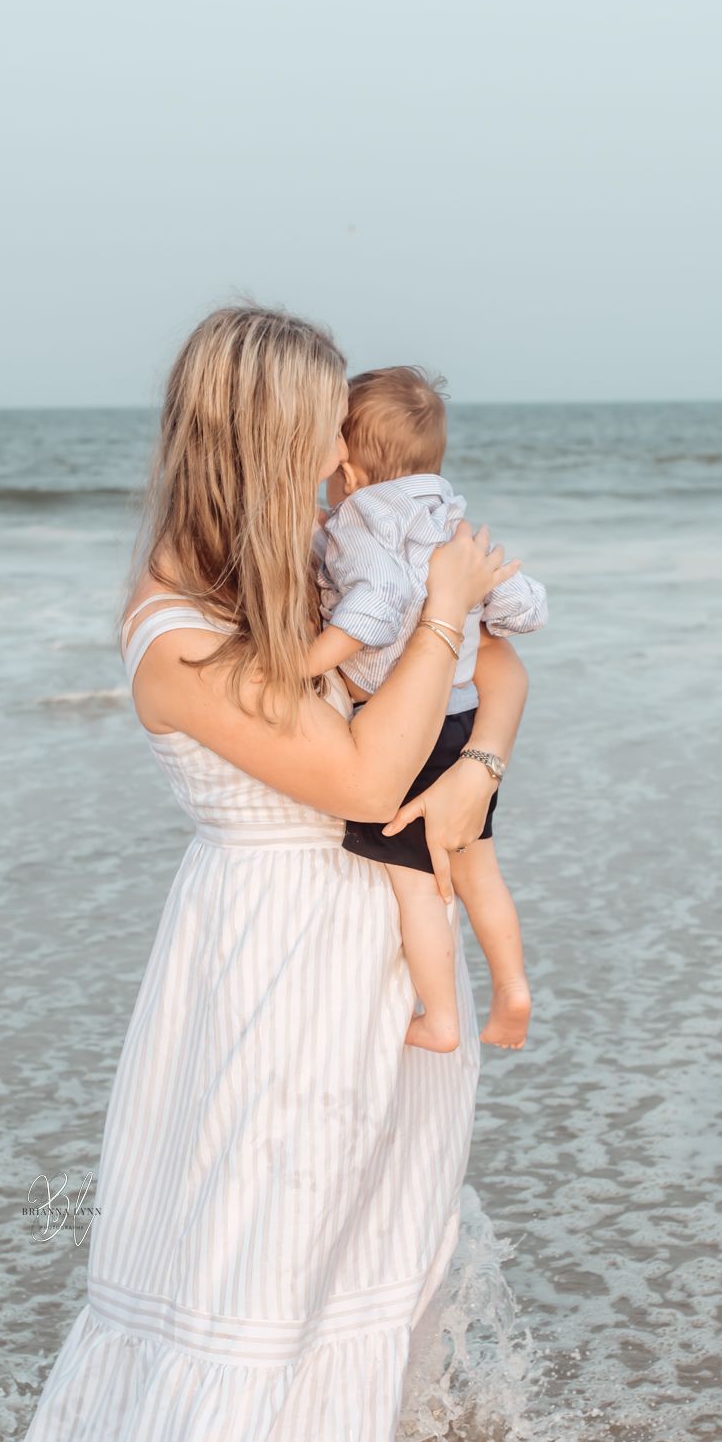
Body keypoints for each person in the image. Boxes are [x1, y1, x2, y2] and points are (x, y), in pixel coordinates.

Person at [0, 305, 530, 1442]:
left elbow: (499, 662)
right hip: (272, 964)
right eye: (322, 419)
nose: (344, 444)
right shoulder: (176, 632)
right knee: (253, 1244)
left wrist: (483, 764)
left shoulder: (319, 563)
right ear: (257, 434)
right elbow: (362, 778)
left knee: (361, 1235)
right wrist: (440, 618)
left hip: (378, 939)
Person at [306, 364, 546, 1052]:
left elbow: (372, 606)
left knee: (419, 889)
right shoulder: (447, 515)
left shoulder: (360, 519)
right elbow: (513, 600)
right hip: (465, 713)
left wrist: (309, 661)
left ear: (348, 471)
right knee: (477, 869)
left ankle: (441, 1021)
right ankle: (513, 989)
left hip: (404, 724)